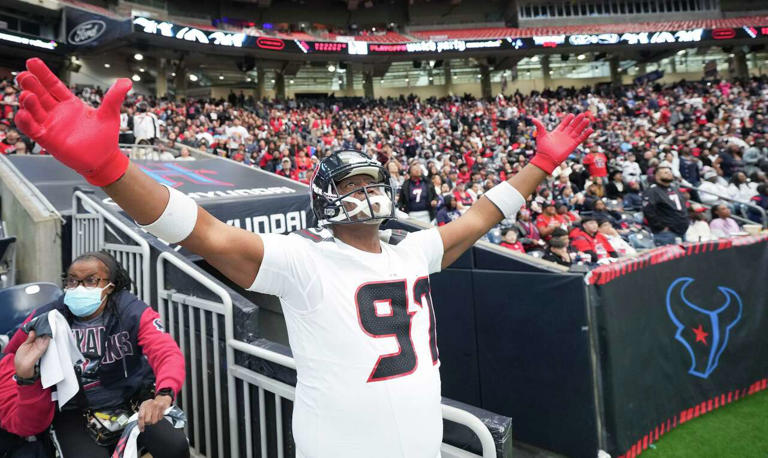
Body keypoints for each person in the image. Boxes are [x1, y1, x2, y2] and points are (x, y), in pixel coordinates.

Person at [13, 58, 592, 457]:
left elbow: (477, 219)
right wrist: (111, 171)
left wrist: (539, 166)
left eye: (372, 180)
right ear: (325, 203)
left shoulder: (413, 250)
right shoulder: (304, 261)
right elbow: (206, 233)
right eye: (352, 183)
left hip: (420, 441)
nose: (365, 191)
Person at [4, 251, 188, 458]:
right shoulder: (48, 316)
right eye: (73, 281)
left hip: (133, 399)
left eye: (91, 280)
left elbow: (166, 352)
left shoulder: (131, 311)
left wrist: (163, 395)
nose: (79, 287)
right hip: (74, 410)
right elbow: (11, 353)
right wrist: (25, 375)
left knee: (175, 446)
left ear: (111, 285)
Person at [642, 166, 689, 246]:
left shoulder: (674, 188)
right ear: (657, 176)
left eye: (670, 172)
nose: (669, 174)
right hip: (666, 233)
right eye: (665, 173)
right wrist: (661, 227)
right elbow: (648, 211)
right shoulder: (653, 191)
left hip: (682, 230)